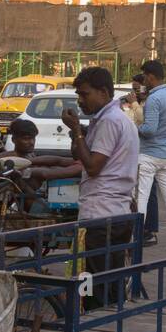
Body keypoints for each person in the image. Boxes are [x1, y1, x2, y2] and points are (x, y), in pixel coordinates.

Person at [62, 67, 139, 306]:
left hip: (102, 215)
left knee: (94, 285)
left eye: (85, 95)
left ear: (103, 92)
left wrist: (77, 131)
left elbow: (93, 166)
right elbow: (80, 154)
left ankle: (94, 329)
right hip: (112, 212)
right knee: (105, 282)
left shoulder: (110, 121)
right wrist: (78, 133)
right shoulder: (108, 119)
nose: (80, 100)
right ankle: (106, 324)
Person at [133, 60, 166, 254]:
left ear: (151, 76)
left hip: (149, 155)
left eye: (145, 76)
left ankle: (135, 239)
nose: (144, 79)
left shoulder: (154, 99)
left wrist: (133, 127)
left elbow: (149, 130)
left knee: (141, 198)